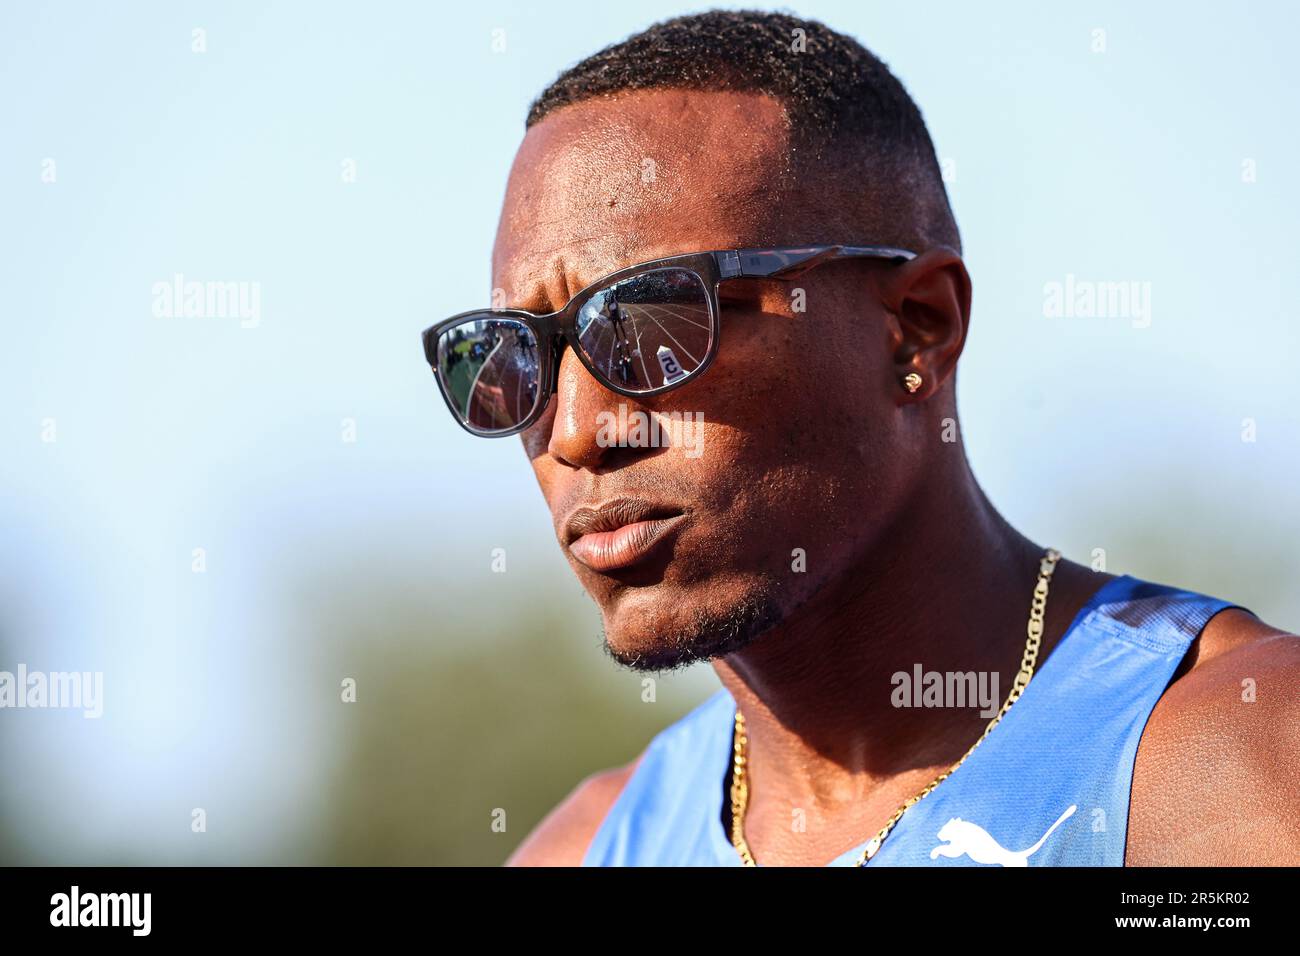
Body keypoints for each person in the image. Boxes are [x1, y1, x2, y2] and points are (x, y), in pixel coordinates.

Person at [425, 10, 1299, 866]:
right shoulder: (593, 848)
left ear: (917, 328)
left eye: (653, 324)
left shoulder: (1230, 765)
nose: (575, 432)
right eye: (511, 355)